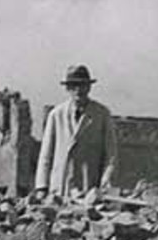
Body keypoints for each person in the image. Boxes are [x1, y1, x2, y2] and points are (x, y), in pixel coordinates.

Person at [32, 64, 115, 197]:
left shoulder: (101, 114)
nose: (78, 90)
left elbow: (111, 154)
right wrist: (42, 186)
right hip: (61, 187)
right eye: (73, 86)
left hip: (88, 186)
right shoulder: (56, 114)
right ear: (67, 89)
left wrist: (106, 179)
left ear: (89, 87)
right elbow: (46, 154)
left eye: (82, 85)